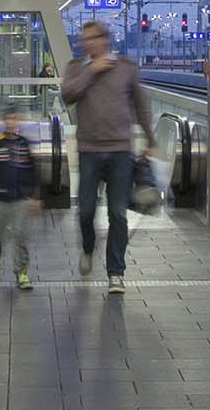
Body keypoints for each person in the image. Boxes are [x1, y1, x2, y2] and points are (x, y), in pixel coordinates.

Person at [61, 19, 154, 294]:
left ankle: (116, 272)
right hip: (89, 151)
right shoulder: (76, 68)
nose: (86, 43)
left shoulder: (126, 68)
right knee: (86, 211)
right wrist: (92, 71)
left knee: (118, 214)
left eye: (91, 38)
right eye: (83, 39)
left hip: (120, 152)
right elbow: (67, 95)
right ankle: (88, 249)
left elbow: (140, 105)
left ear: (105, 39)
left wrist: (150, 138)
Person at [0, 106, 39, 290]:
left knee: (21, 235)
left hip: (20, 199)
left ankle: (22, 273)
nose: (11, 122)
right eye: (8, 118)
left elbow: (32, 171)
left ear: (18, 121)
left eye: (14, 118)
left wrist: (34, 197)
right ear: (4, 121)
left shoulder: (23, 144)